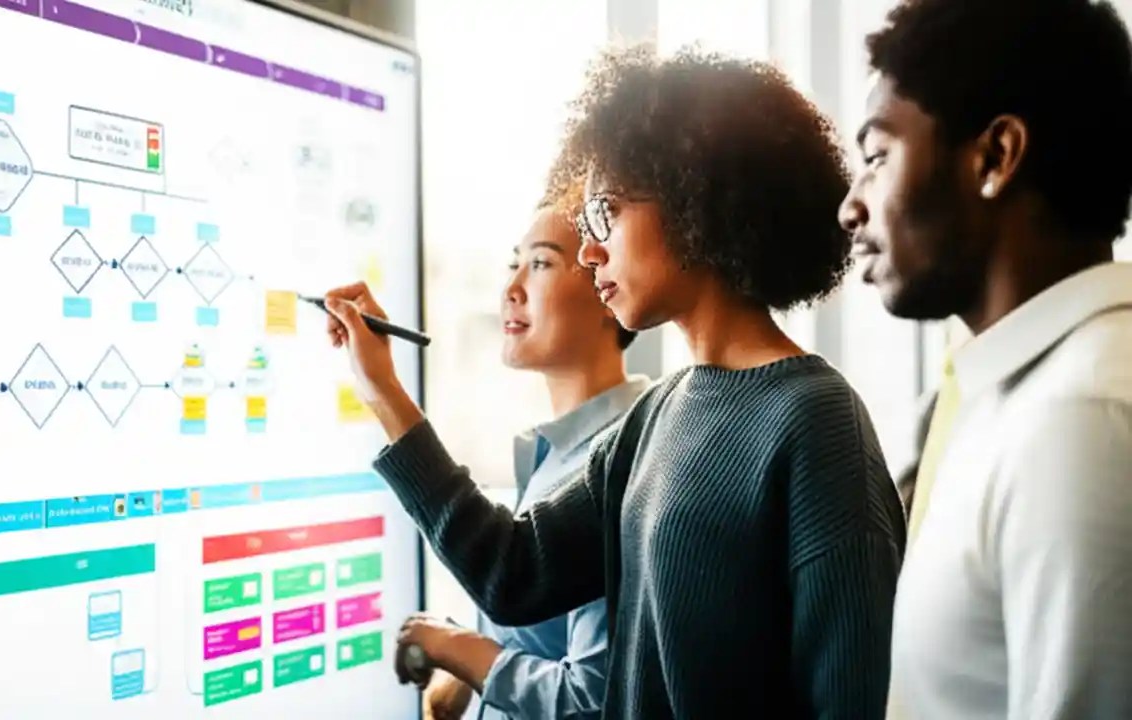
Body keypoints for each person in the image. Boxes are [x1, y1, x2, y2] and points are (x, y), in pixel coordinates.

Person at [325, 45, 906, 719]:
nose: (590, 248)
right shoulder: (655, 416)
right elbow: (512, 573)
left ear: (695, 199)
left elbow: (852, 697)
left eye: (605, 212)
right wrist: (384, 392)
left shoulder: (816, 422)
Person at [838, 0, 1132, 716]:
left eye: (877, 157)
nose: (851, 207)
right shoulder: (1010, 396)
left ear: (996, 156)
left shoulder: (1080, 418)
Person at [414, 195, 650, 720]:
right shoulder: (549, 456)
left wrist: (463, 652)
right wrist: (469, 676)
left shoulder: (620, 462)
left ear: (606, 281)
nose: (511, 289)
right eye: (512, 263)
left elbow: (592, 699)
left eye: (540, 263)